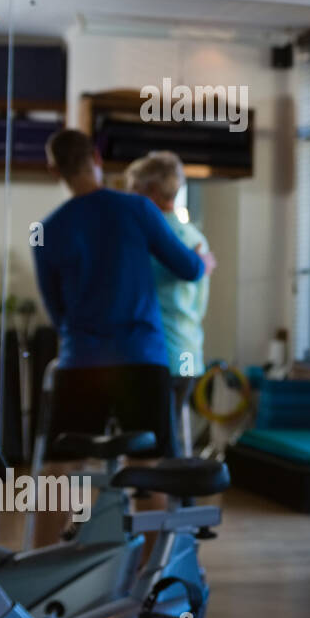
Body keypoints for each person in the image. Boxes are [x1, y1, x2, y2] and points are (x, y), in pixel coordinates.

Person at [32, 130, 215, 461]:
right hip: (141, 358)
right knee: (149, 468)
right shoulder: (138, 210)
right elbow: (187, 268)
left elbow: (55, 309)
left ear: (54, 170)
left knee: (61, 467)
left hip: (81, 361)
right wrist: (203, 261)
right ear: (97, 159)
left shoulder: (47, 231)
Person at [126, 151, 211, 456]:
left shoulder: (141, 236)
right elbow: (200, 305)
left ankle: (156, 495)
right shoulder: (195, 238)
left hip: (154, 353)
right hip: (188, 351)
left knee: (148, 439)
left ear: (149, 192)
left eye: (134, 191)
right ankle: (177, 496)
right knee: (170, 430)